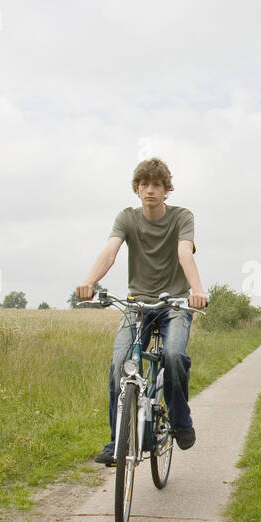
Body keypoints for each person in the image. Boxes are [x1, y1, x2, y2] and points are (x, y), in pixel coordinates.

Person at [76, 157, 207, 464]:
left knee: (174, 356)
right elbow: (110, 250)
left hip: (173, 303)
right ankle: (116, 442)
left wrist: (196, 290)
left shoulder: (181, 217)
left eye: (157, 185)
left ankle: (180, 419)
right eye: (145, 184)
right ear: (137, 188)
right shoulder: (127, 218)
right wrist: (90, 280)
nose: (150, 190)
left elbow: (183, 251)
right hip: (137, 304)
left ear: (167, 190)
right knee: (120, 363)